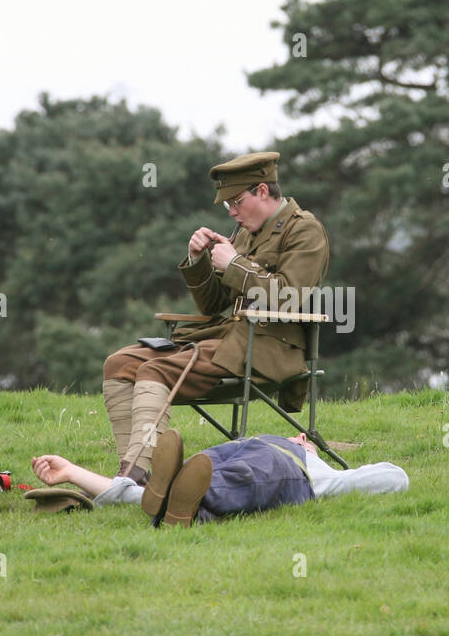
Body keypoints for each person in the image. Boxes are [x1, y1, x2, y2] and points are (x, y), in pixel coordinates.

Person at [100, 151, 330, 484]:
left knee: (154, 370)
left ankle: (135, 476)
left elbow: (289, 298)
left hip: (269, 350)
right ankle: (133, 470)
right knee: (119, 364)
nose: (232, 212)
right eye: (227, 206)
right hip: (228, 340)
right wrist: (199, 261)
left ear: (263, 191)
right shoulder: (248, 232)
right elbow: (213, 306)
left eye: (236, 201)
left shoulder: (304, 230)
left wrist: (235, 263)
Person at [31, 429, 408, 527]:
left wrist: (310, 457)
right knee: (188, 481)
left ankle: (182, 507)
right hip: (230, 453)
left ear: (306, 441)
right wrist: (72, 473)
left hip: (287, 469)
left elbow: (397, 479)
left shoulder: (318, 471)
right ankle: (179, 506)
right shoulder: (254, 441)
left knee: (242, 478)